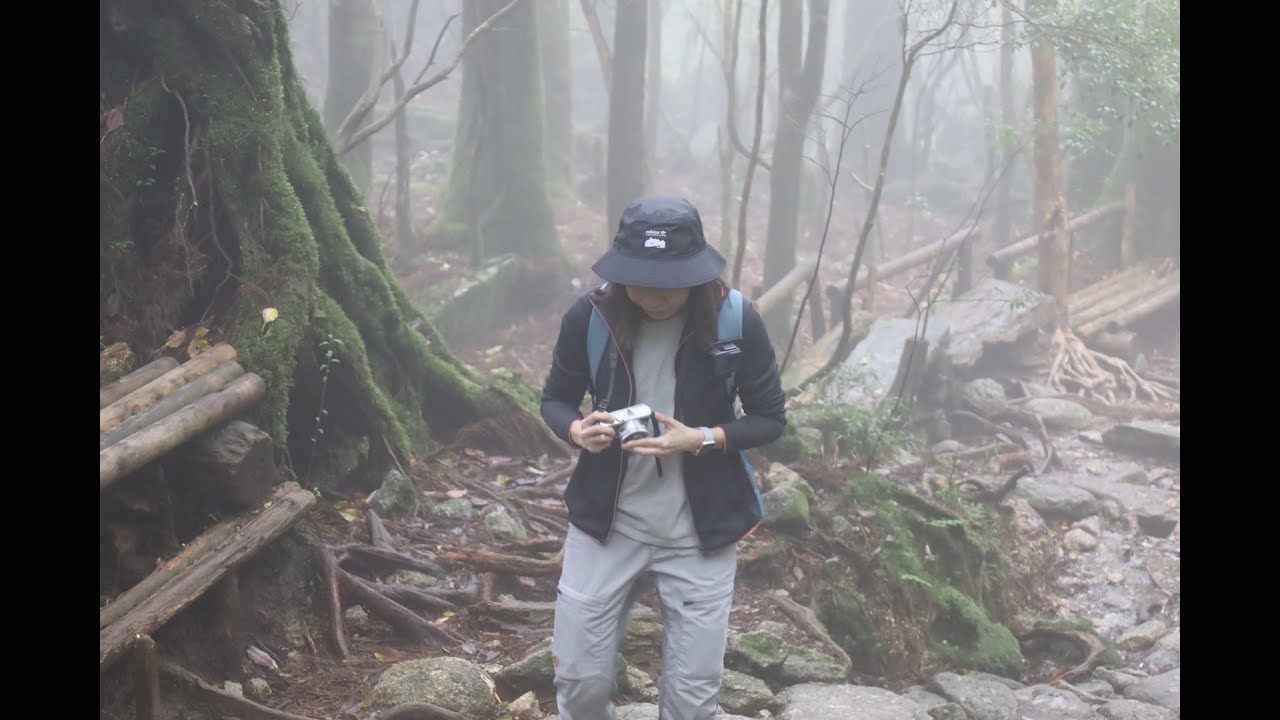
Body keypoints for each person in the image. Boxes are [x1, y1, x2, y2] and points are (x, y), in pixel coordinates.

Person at [540, 195, 788, 719]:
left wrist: (700, 438)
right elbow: (556, 399)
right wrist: (577, 430)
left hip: (700, 533)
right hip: (606, 525)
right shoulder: (592, 317)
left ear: (697, 275)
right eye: (643, 282)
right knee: (580, 683)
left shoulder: (734, 320)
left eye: (672, 284)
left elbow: (769, 418)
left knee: (692, 699)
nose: (657, 297)